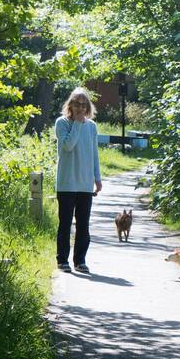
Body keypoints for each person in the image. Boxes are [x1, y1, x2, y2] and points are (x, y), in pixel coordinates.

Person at [54, 87, 102, 274]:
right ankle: (62, 260)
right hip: (67, 183)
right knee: (65, 224)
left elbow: (94, 154)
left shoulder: (91, 126)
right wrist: (77, 124)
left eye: (84, 105)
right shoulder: (62, 123)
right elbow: (67, 145)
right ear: (70, 105)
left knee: (83, 224)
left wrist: (97, 178)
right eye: (76, 104)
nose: (80, 108)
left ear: (88, 106)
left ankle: (80, 261)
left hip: (84, 184)